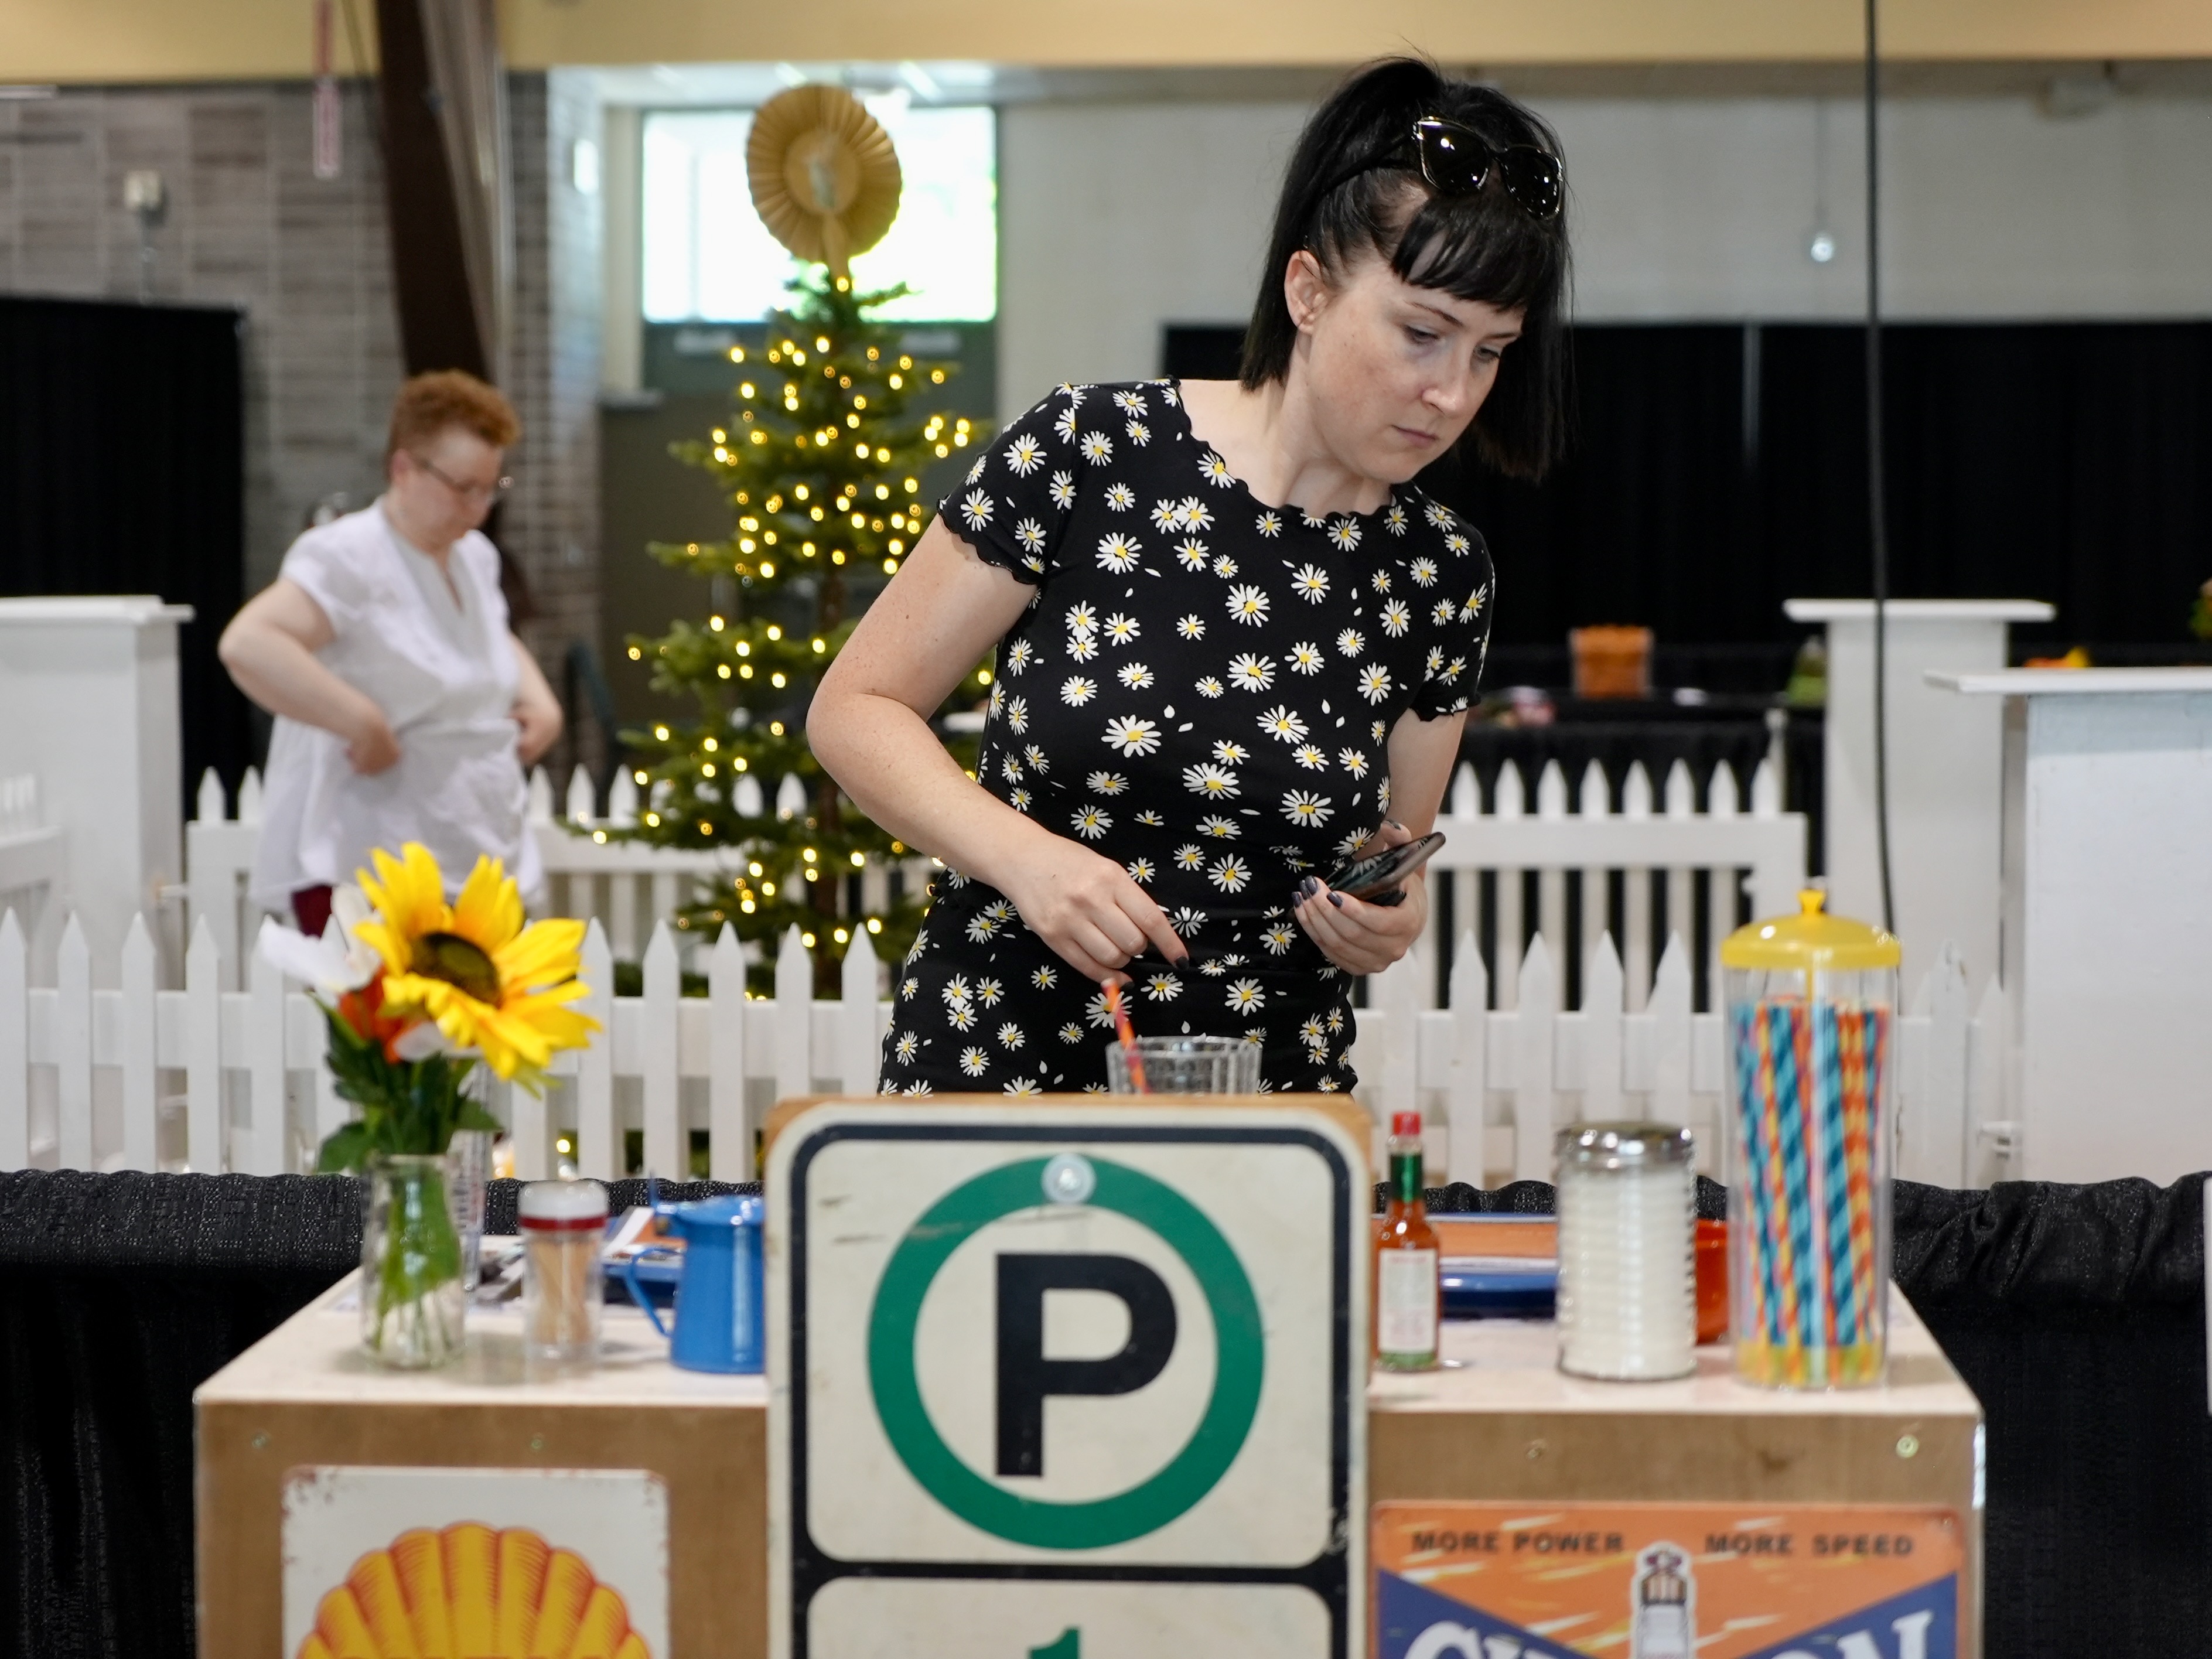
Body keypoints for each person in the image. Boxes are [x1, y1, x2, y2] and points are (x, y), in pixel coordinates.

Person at [808, 59, 1570, 1094]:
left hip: (1267, 1097)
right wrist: (1030, 861)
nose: (1448, 394)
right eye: (1422, 333)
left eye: (1490, 353)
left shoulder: (1439, 574)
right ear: (1308, 290)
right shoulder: (1093, 449)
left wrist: (1388, 915)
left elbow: (1382, 844)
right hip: (1000, 1068)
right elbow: (855, 709)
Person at [219, 371, 562, 934]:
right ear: (404, 469)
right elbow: (250, 643)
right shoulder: (347, 555)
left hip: (471, 848)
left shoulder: (474, 556)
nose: (478, 508)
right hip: (371, 864)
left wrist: (540, 700)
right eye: (462, 488)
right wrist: (360, 722)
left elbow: (484, 638)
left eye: (490, 488)